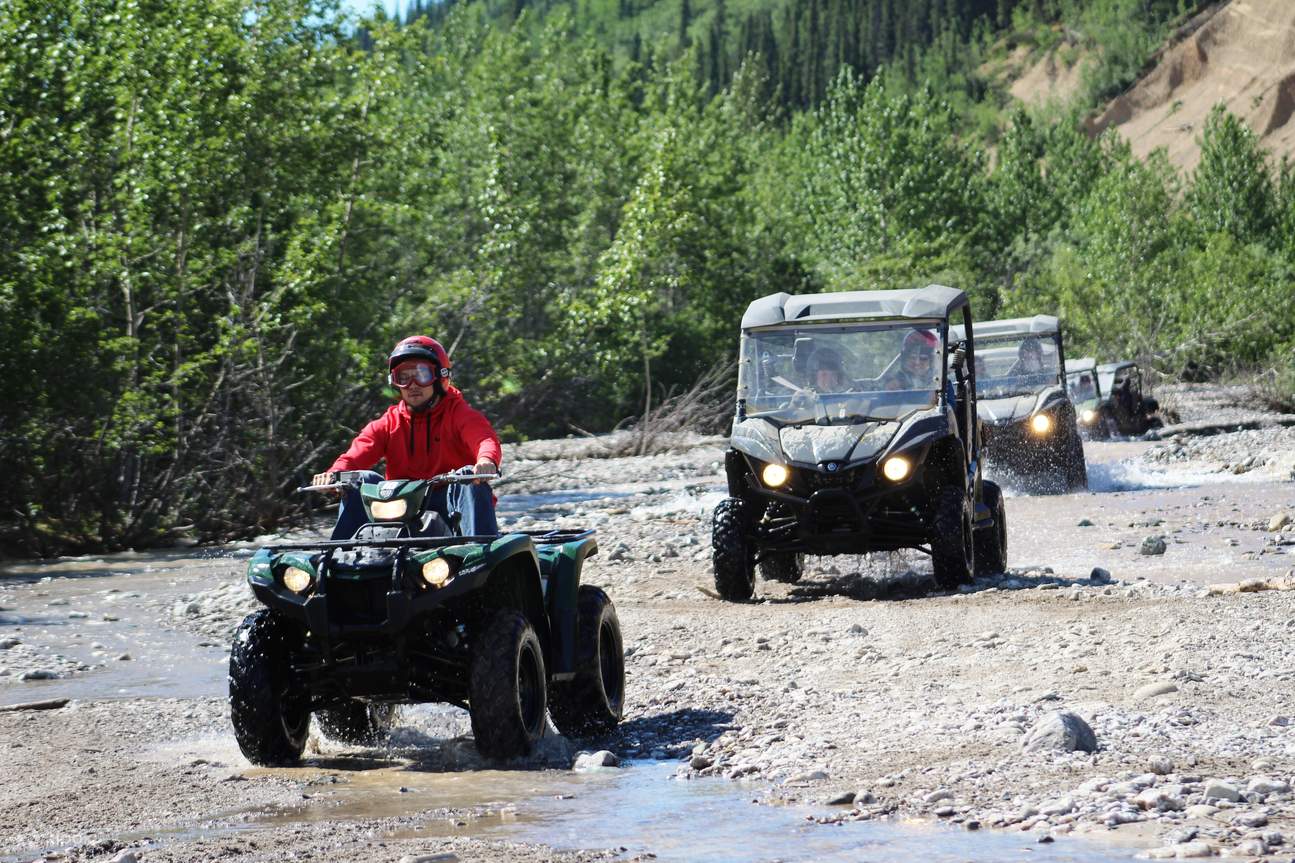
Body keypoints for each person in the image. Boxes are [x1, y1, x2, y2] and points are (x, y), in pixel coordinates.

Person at [312, 335, 502, 540]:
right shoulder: (389, 422)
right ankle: (342, 557)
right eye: (403, 377)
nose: (412, 385)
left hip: (450, 505)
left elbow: (484, 440)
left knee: (468, 477)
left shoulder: (460, 414)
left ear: (440, 377)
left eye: (422, 374)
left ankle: (479, 553)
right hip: (399, 507)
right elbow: (357, 453)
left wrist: (485, 460)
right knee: (359, 480)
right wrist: (334, 474)